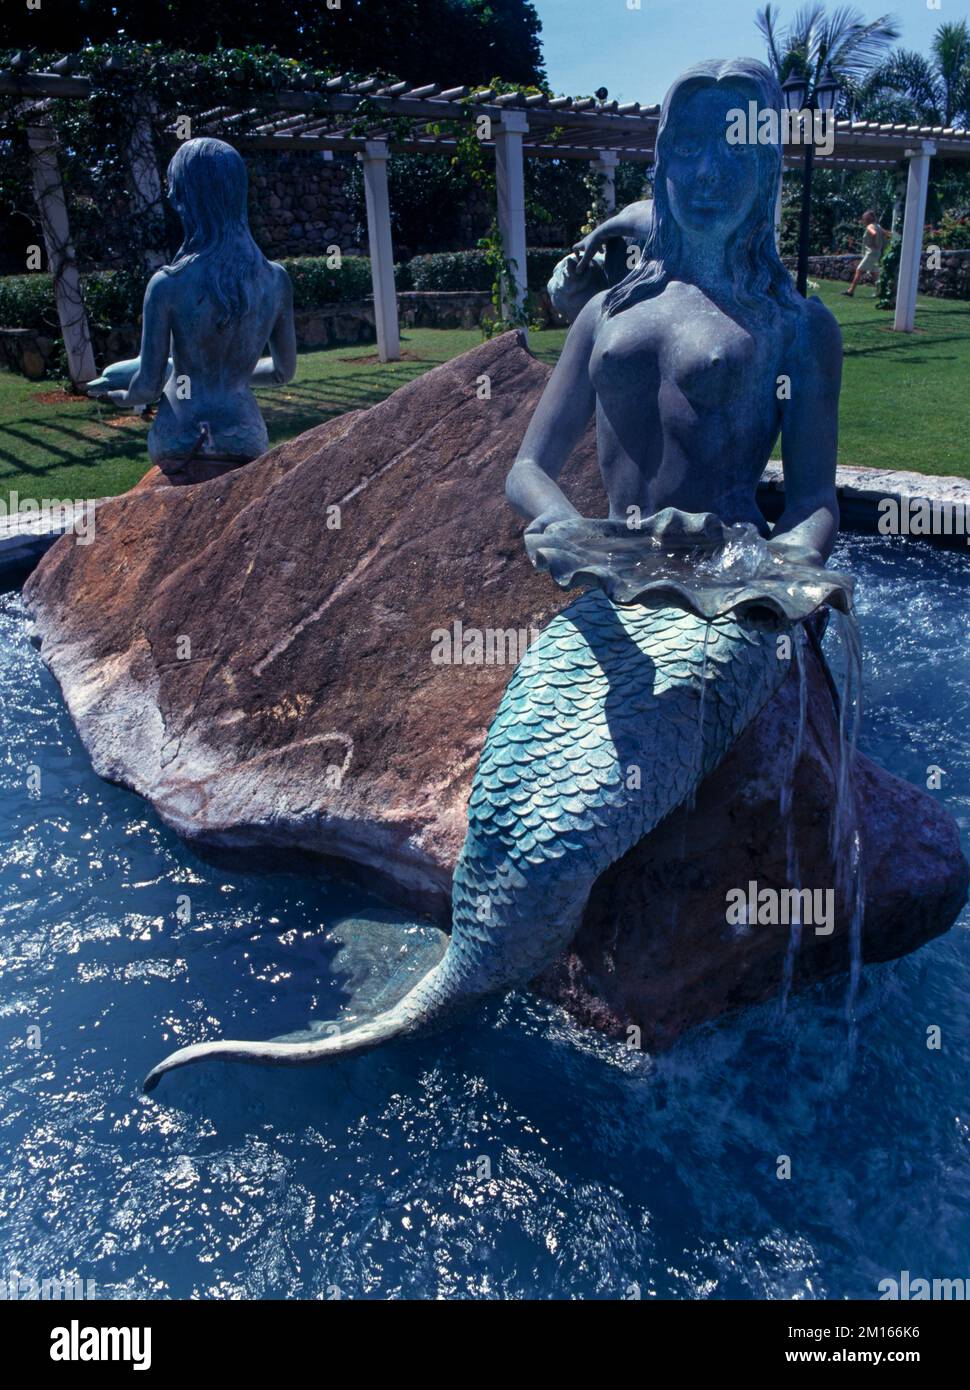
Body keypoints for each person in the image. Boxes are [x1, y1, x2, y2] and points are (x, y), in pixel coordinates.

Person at [89, 138, 296, 477]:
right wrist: (234, 376)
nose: (170, 197)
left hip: (180, 437)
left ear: (191, 196)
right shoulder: (276, 280)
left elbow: (149, 386)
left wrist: (121, 395)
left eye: (175, 188)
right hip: (246, 436)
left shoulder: (167, 284)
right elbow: (282, 372)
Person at [842, 209, 891, 297]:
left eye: (864, 218)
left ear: (868, 218)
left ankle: (851, 291)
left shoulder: (870, 226)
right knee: (874, 274)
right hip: (877, 253)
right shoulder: (878, 226)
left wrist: (874, 243)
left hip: (871, 253)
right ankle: (880, 292)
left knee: (859, 271)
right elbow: (887, 234)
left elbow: (874, 233)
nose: (863, 220)